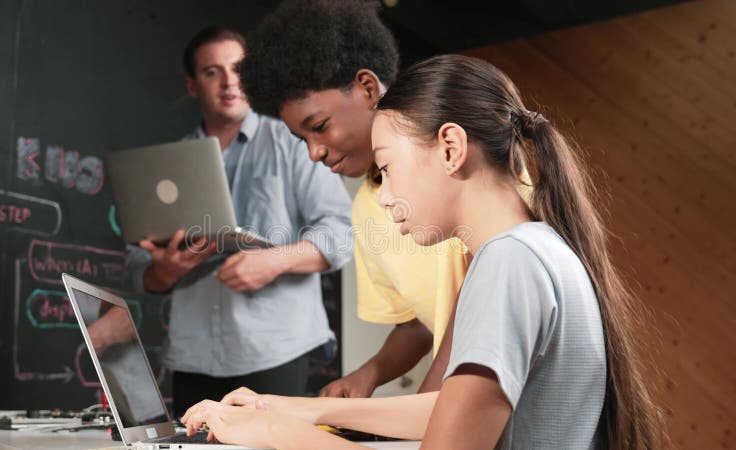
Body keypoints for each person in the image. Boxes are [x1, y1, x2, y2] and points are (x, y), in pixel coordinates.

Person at [180, 55, 666, 449]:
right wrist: (294, 408)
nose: (384, 194)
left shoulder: (507, 264)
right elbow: (454, 407)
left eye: (387, 168)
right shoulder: (535, 249)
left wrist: (280, 436)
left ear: (451, 148)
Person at [237, 0, 474, 398]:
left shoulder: (456, 160)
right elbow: (419, 323)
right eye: (303, 139)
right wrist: (365, 377)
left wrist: (424, 415)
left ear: (367, 88)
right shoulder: (367, 206)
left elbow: (475, 309)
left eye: (320, 126)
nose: (313, 153)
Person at [124, 26, 353, 417]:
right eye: (212, 72)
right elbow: (136, 268)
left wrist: (273, 260)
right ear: (193, 85)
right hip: (192, 354)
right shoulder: (166, 163)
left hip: (274, 350)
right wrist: (164, 271)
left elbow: (342, 233)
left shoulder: (294, 142)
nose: (229, 81)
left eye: (238, 69)